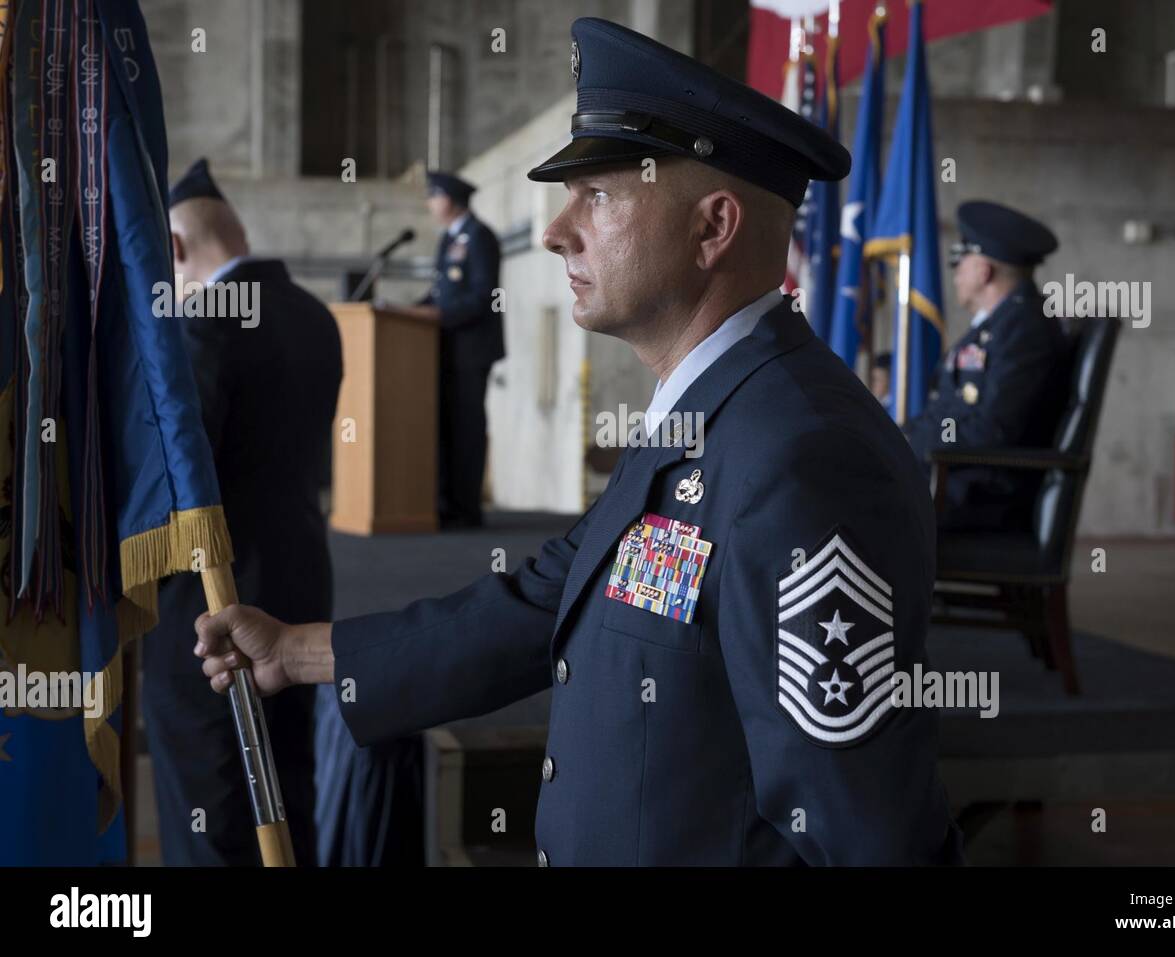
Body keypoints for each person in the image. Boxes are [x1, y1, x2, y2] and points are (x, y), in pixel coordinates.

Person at [195, 17, 963, 866]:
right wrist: (295, 649)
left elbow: (866, 836)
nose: (559, 230)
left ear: (714, 228)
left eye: (597, 195)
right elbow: (541, 603)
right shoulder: (705, 409)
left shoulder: (805, 458)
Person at [144, 158, 341, 866]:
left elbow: (180, 489)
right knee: (289, 788)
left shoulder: (204, 329)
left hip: (214, 609)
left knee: (214, 807)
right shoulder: (317, 316)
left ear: (172, 248)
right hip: (301, 582)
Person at [903, 200, 1068, 531]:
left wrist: (904, 443)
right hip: (959, 478)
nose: (956, 274)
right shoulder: (1003, 325)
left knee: (849, 490)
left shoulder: (1024, 330)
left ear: (983, 271)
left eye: (961, 262)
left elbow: (992, 430)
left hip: (980, 493)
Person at [379, 173, 505, 529]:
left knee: (465, 428)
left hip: (470, 350)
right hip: (444, 349)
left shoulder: (479, 237)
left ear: (449, 199)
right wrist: (404, 310)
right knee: (446, 427)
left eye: (433, 197)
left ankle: (466, 509)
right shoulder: (449, 239)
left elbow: (482, 299)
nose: (430, 204)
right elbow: (438, 294)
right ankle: (445, 503)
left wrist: (432, 314)